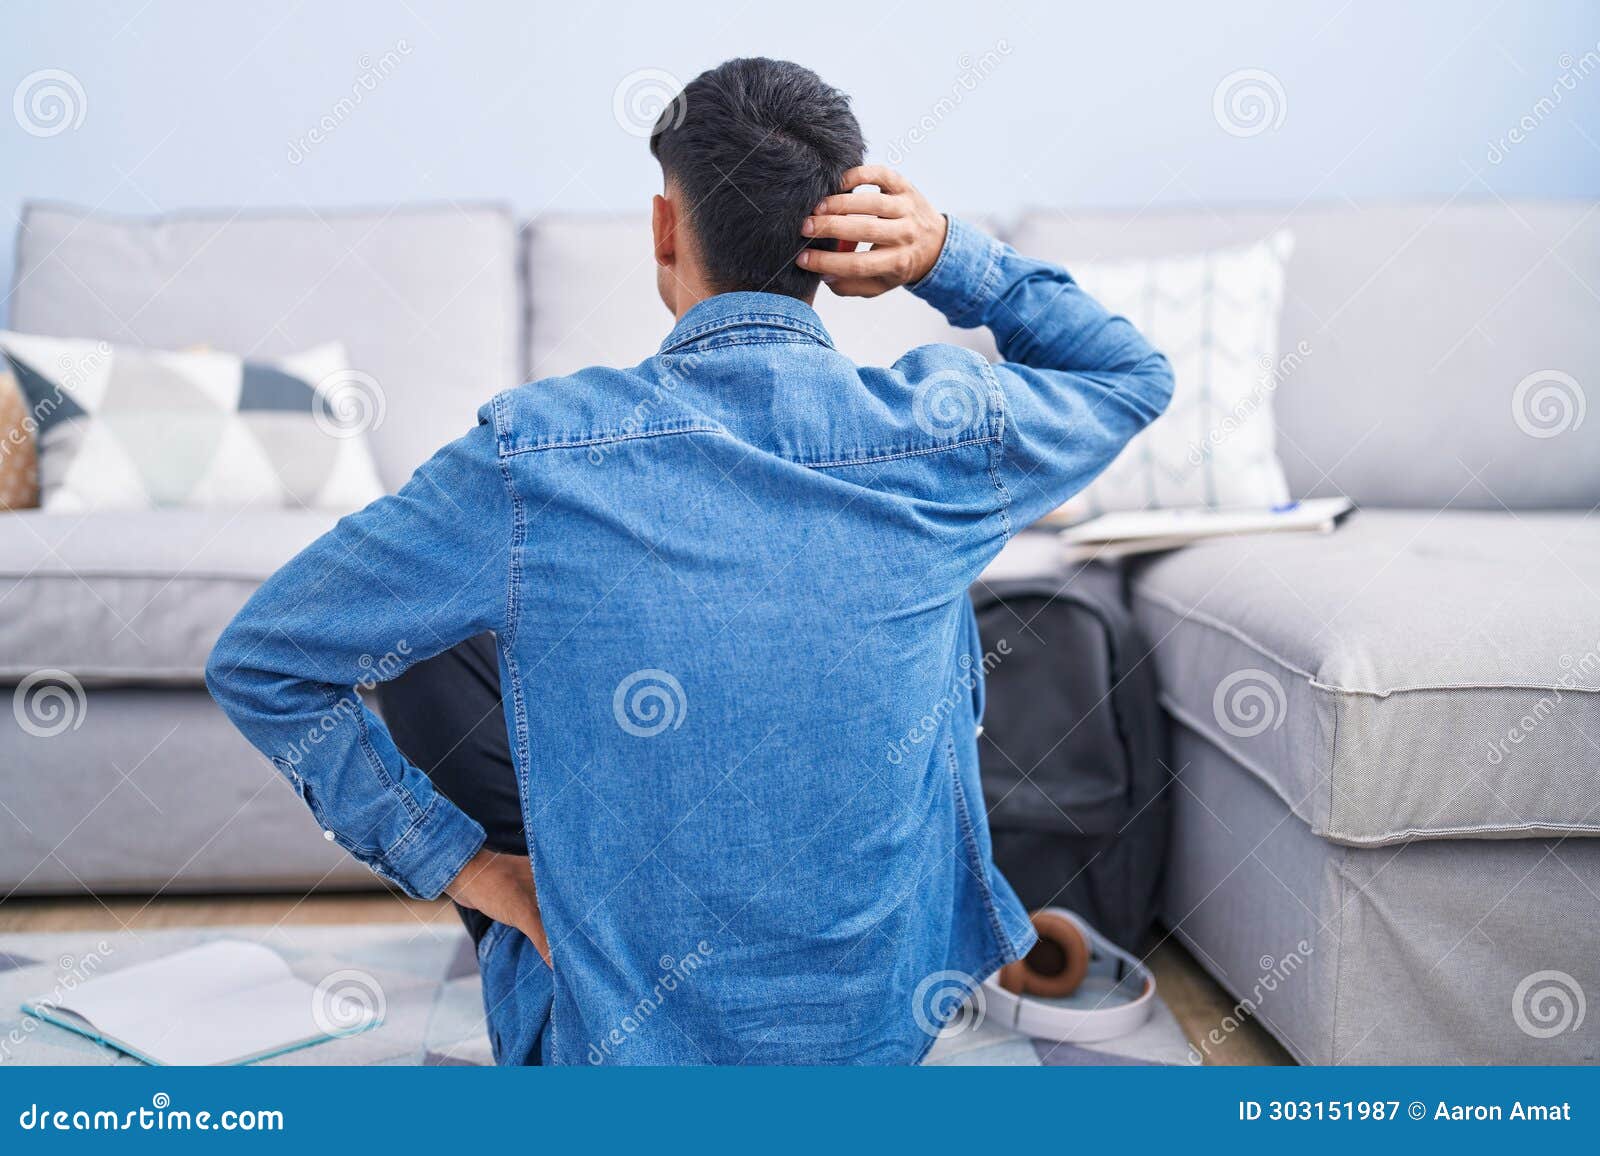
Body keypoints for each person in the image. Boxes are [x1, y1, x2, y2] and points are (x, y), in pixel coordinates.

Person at [205, 56, 1172, 1065]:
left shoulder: (534, 456)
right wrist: (943, 259)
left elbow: (264, 657)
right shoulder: (942, 431)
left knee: (436, 626)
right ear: (841, 235)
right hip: (875, 1041)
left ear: (665, 229)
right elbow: (1130, 374)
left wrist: (471, 866)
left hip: (609, 1058)